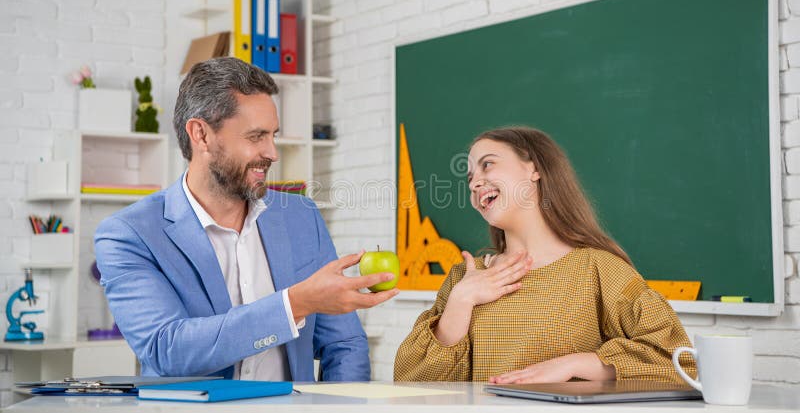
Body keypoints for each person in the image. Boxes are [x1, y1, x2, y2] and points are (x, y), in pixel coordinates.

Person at [95, 57, 398, 381]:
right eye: (256, 137)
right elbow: (166, 348)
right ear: (201, 135)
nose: (272, 152)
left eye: (273, 135)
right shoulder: (131, 235)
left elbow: (344, 344)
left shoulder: (301, 217)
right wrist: (293, 305)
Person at [394, 126, 696, 384]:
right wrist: (461, 302)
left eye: (487, 165)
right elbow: (410, 385)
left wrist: (576, 364)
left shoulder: (599, 269)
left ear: (533, 168)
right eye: (470, 177)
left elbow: (677, 362)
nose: (473, 183)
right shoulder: (465, 279)